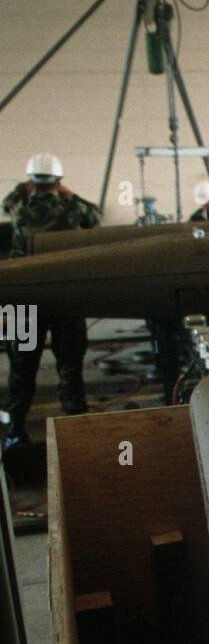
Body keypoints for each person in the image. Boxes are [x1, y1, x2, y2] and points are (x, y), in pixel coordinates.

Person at [2, 153, 100, 451]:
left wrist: (26, 188)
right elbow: (95, 217)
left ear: (31, 182)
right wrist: (68, 193)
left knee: (21, 366)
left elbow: (8, 199)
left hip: (22, 298)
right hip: (64, 296)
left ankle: (16, 430)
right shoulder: (71, 207)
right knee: (70, 364)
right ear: (59, 181)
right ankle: (77, 429)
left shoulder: (18, 205)